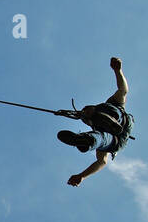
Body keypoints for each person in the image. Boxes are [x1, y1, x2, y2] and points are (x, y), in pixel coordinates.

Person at [54, 57, 132, 187]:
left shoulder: (112, 103)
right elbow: (102, 162)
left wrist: (118, 71)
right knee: (101, 140)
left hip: (120, 121)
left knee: (107, 118)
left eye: (87, 110)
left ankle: (108, 122)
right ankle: (86, 140)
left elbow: (123, 90)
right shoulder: (98, 131)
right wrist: (81, 176)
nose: (84, 111)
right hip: (113, 139)